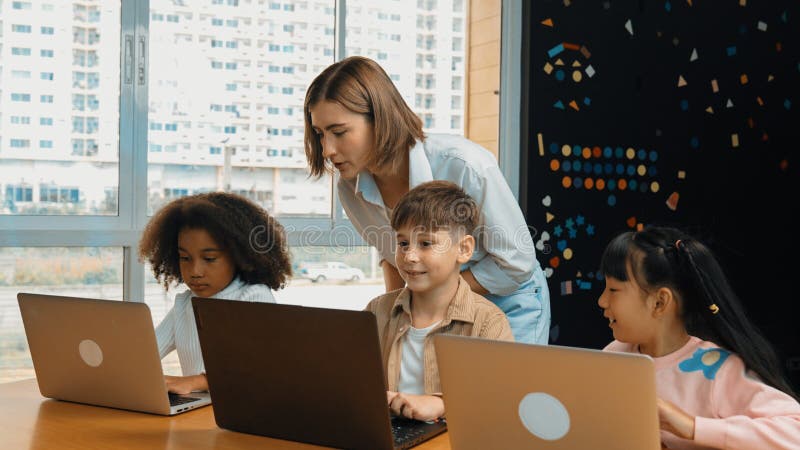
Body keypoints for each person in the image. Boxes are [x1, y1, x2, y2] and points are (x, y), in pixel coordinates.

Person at [304, 55, 550, 344]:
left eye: (339, 132)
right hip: (435, 304)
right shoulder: (349, 188)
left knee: (501, 390)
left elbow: (516, 263)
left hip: (507, 299)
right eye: (320, 134)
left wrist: (427, 296)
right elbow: (392, 259)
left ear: (380, 118)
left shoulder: (464, 165)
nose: (328, 150)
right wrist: (395, 322)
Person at [598, 226, 800, 450]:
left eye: (613, 290)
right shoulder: (613, 355)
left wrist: (692, 427)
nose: (602, 301)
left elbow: (795, 432)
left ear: (660, 302)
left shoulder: (718, 369)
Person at [364, 181, 514, 422]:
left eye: (425, 243)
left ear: (464, 249)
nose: (410, 256)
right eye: (403, 243)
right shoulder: (376, 311)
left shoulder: (488, 323)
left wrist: (442, 404)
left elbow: (500, 402)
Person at [139, 192, 292, 394]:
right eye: (184, 258)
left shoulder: (254, 297)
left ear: (240, 256)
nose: (195, 272)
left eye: (209, 259)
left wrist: (195, 382)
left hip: (246, 415)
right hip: (200, 411)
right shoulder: (184, 304)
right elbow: (143, 355)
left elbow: (259, 369)